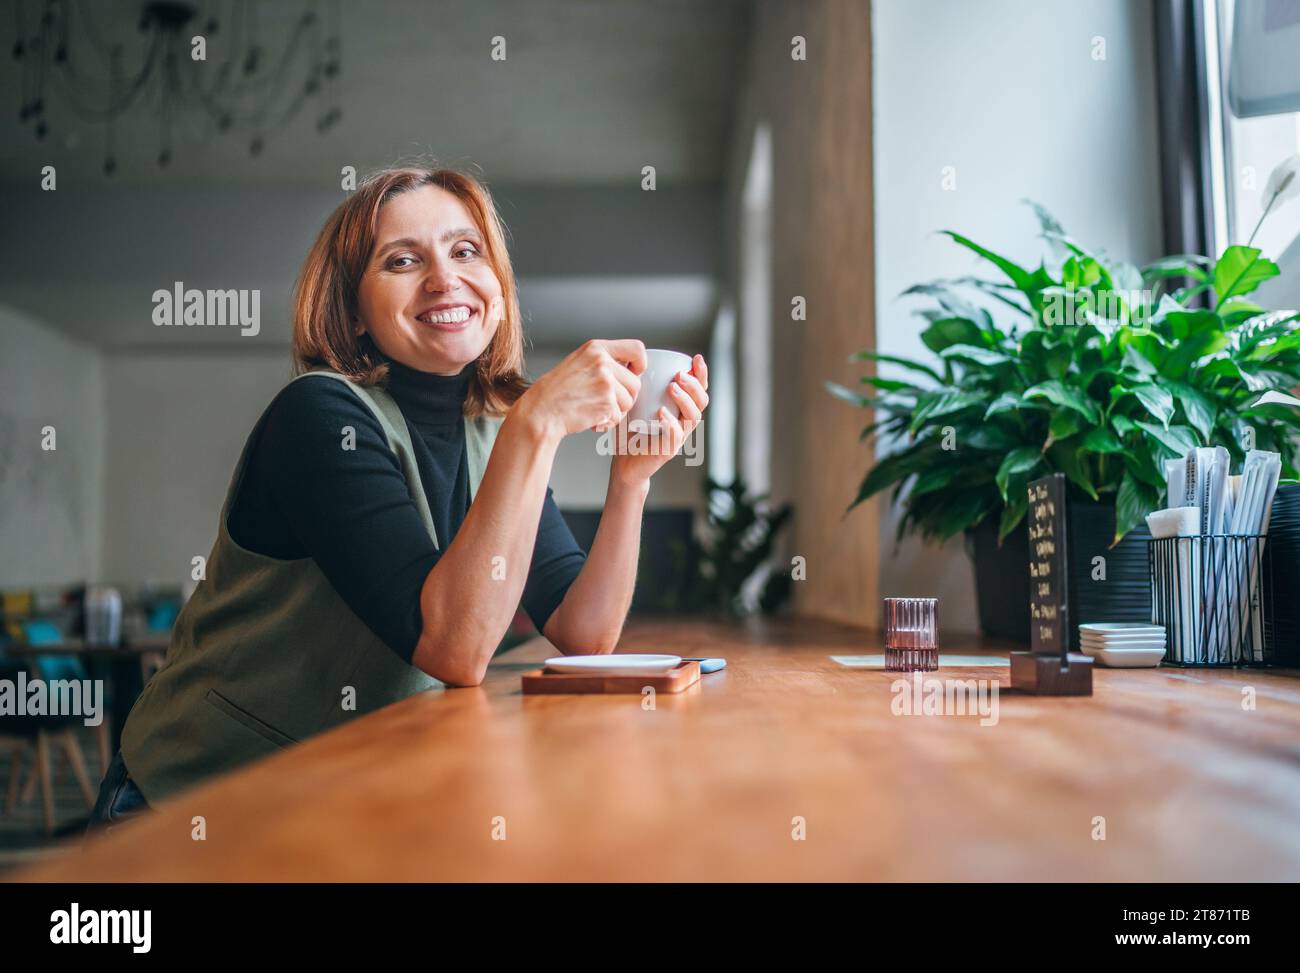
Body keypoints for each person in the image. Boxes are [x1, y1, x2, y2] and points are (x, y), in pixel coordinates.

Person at [87, 165, 709, 829]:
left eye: (466, 250)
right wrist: (538, 422)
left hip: (331, 801)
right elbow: (452, 647)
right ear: (353, 311)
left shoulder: (492, 432)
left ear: (496, 289)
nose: (445, 278)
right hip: (191, 802)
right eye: (403, 260)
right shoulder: (319, 416)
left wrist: (631, 480)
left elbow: (583, 632)